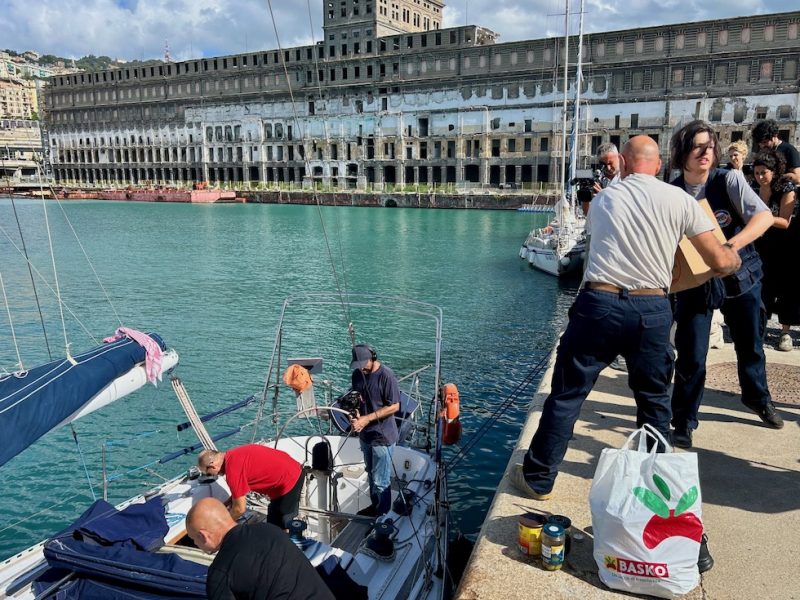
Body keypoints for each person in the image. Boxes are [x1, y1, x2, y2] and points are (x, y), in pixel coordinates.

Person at [510, 135, 741, 500]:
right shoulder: (681, 200)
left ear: (627, 164)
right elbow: (719, 261)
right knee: (653, 403)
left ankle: (539, 478)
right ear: (659, 163)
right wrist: (733, 254)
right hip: (651, 309)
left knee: (568, 394)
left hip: (598, 305)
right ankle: (656, 492)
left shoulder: (602, 201)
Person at [669, 120, 784, 450]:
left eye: (709, 146)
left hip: (741, 276)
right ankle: (684, 420)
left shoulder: (728, 179)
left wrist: (731, 246)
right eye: (697, 147)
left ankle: (758, 398)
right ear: (681, 153)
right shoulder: (673, 191)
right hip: (696, 283)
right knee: (691, 353)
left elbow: (762, 217)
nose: (705, 152)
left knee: (750, 344)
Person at [186, 497, 334, 600]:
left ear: (203, 536)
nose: (196, 545)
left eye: (193, 540)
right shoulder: (270, 530)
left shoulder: (219, 573)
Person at [752, 150, 799, 351]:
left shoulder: (786, 187)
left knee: (787, 289)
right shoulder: (754, 188)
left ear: (774, 171)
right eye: (756, 173)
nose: (760, 177)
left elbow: (785, 221)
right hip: (762, 242)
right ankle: (758, 329)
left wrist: (762, 219)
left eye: (764, 173)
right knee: (762, 287)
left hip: (785, 244)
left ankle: (785, 332)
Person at [348, 343, 400, 515]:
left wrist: (366, 419)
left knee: (381, 481)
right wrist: (354, 415)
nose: (360, 368)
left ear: (372, 359)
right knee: (370, 474)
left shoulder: (386, 376)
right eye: (357, 365)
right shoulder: (357, 374)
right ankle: (375, 507)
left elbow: (394, 406)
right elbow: (357, 399)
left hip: (382, 437)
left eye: (363, 364)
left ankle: (383, 517)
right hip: (365, 436)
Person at [198, 445, 304, 528]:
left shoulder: (232, 471)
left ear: (212, 465)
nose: (212, 475)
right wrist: (228, 503)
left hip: (288, 482)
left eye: (208, 473)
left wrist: (222, 526)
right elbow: (239, 491)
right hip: (293, 469)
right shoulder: (233, 455)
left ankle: (286, 549)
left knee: (278, 527)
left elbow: (240, 509)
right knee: (274, 519)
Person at [751, 119, 800, 184]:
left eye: (765, 142)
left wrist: (773, 177)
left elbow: (797, 178)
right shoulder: (762, 150)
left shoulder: (789, 150)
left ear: (775, 136)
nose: (762, 146)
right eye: (760, 143)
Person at [582, 142, 621, 216]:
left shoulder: (627, 178)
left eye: (610, 163)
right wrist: (585, 198)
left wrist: (603, 195)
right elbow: (587, 213)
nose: (608, 168)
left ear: (619, 157)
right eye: (604, 165)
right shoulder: (598, 179)